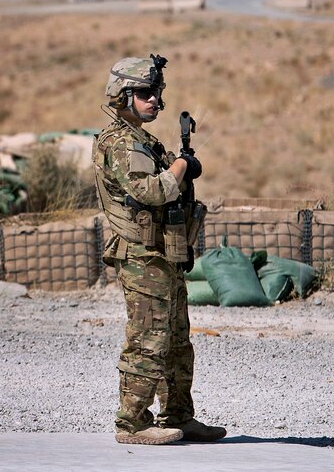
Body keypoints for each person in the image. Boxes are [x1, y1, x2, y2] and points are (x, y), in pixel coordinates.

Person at [92, 54, 227, 446]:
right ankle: (132, 423)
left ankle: (179, 416)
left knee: (177, 342)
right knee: (147, 340)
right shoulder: (120, 142)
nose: (154, 99)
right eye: (144, 93)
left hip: (164, 255)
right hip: (142, 256)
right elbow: (150, 191)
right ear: (122, 95)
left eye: (156, 92)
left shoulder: (143, 141)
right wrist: (181, 166)